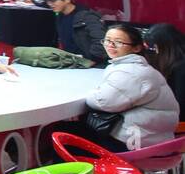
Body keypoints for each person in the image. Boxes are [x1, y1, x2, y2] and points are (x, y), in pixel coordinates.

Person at [65, 23, 180, 153]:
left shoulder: (130, 71)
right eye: (107, 40)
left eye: (118, 42)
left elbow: (103, 102)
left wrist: (92, 93)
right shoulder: (135, 67)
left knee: (63, 134)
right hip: (152, 137)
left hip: (136, 143)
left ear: (136, 48)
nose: (111, 45)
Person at [40, 0, 108, 66]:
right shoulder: (60, 16)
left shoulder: (86, 16)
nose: (50, 4)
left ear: (67, 0)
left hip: (91, 65)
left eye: (53, 1)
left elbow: (101, 41)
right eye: (47, 1)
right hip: (71, 63)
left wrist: (90, 59)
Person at [146, 23, 185, 106]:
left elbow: (180, 102)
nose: (156, 52)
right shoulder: (178, 63)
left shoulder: (180, 68)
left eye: (154, 48)